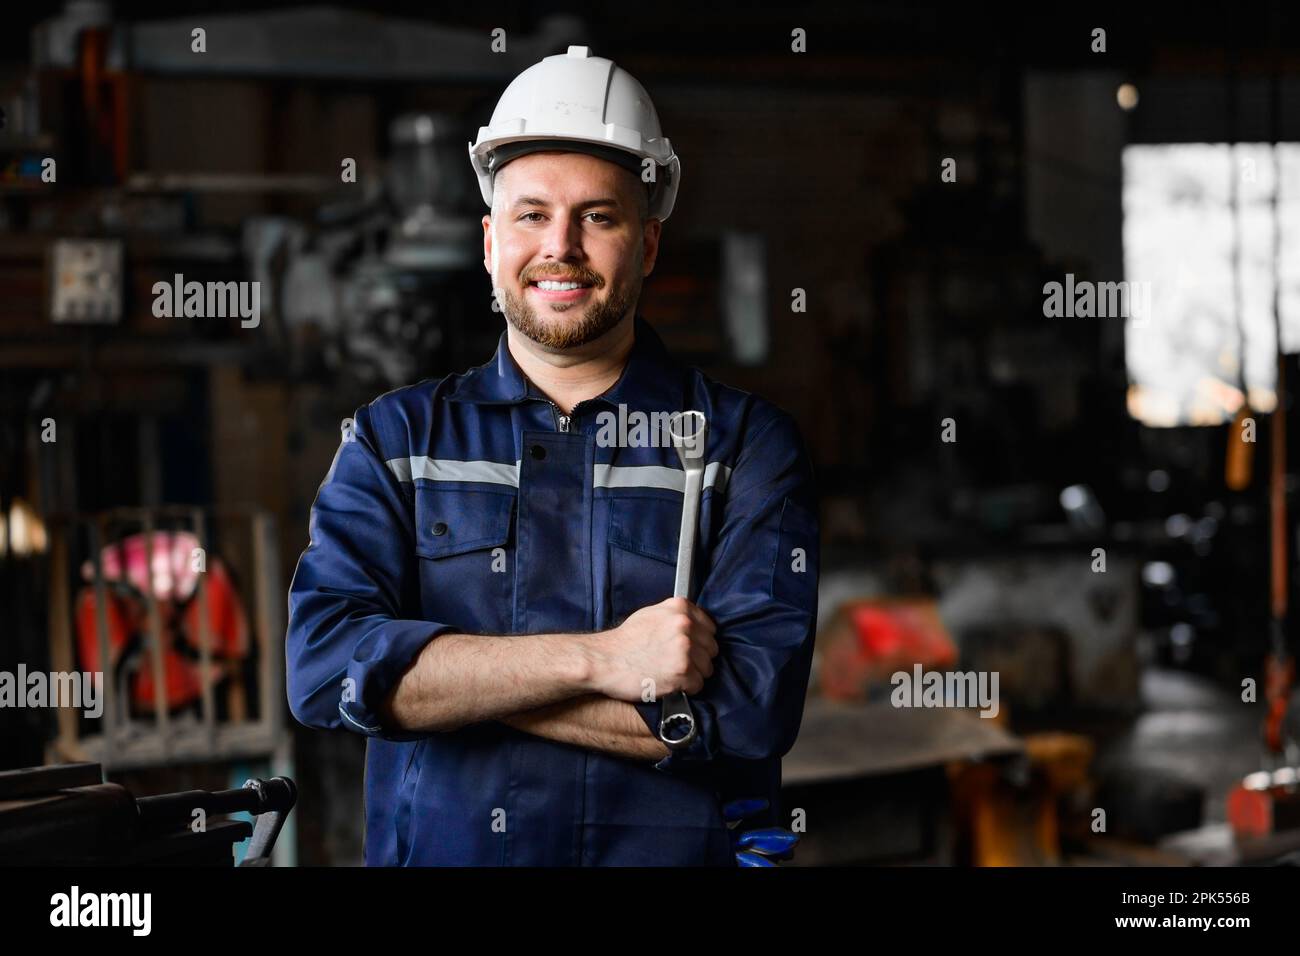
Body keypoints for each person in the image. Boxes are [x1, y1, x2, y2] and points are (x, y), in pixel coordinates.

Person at [286, 46, 820, 866]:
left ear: (645, 245)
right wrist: (605, 661)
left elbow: (749, 713)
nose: (560, 247)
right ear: (492, 241)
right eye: (532, 215)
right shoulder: (395, 442)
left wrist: (438, 688)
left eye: (598, 217)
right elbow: (323, 671)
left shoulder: (743, 447)